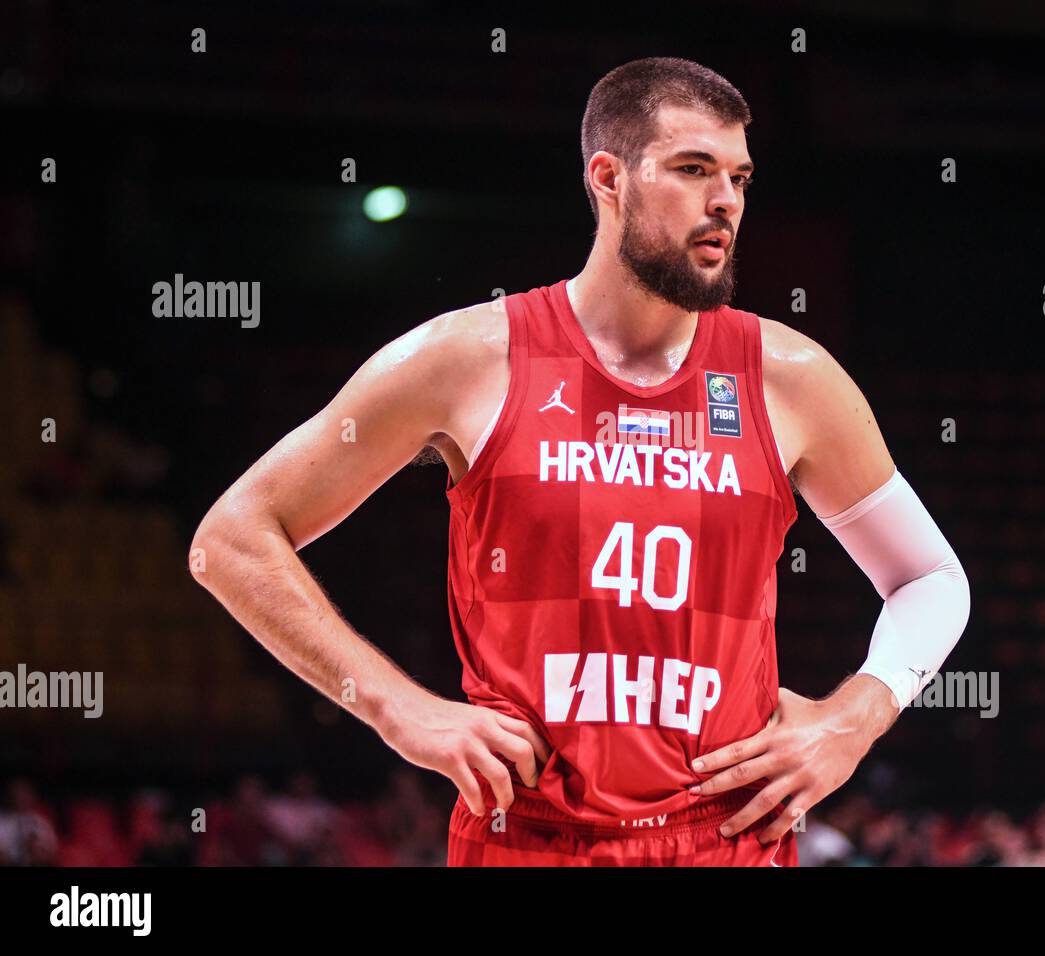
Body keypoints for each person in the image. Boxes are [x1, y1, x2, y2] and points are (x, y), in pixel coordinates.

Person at [191, 56, 970, 866]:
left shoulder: (791, 379)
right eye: (693, 169)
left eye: (738, 176)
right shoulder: (470, 358)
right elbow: (233, 538)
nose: (725, 202)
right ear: (610, 178)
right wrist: (400, 710)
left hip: (726, 841)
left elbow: (932, 579)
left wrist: (856, 718)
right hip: (527, 840)